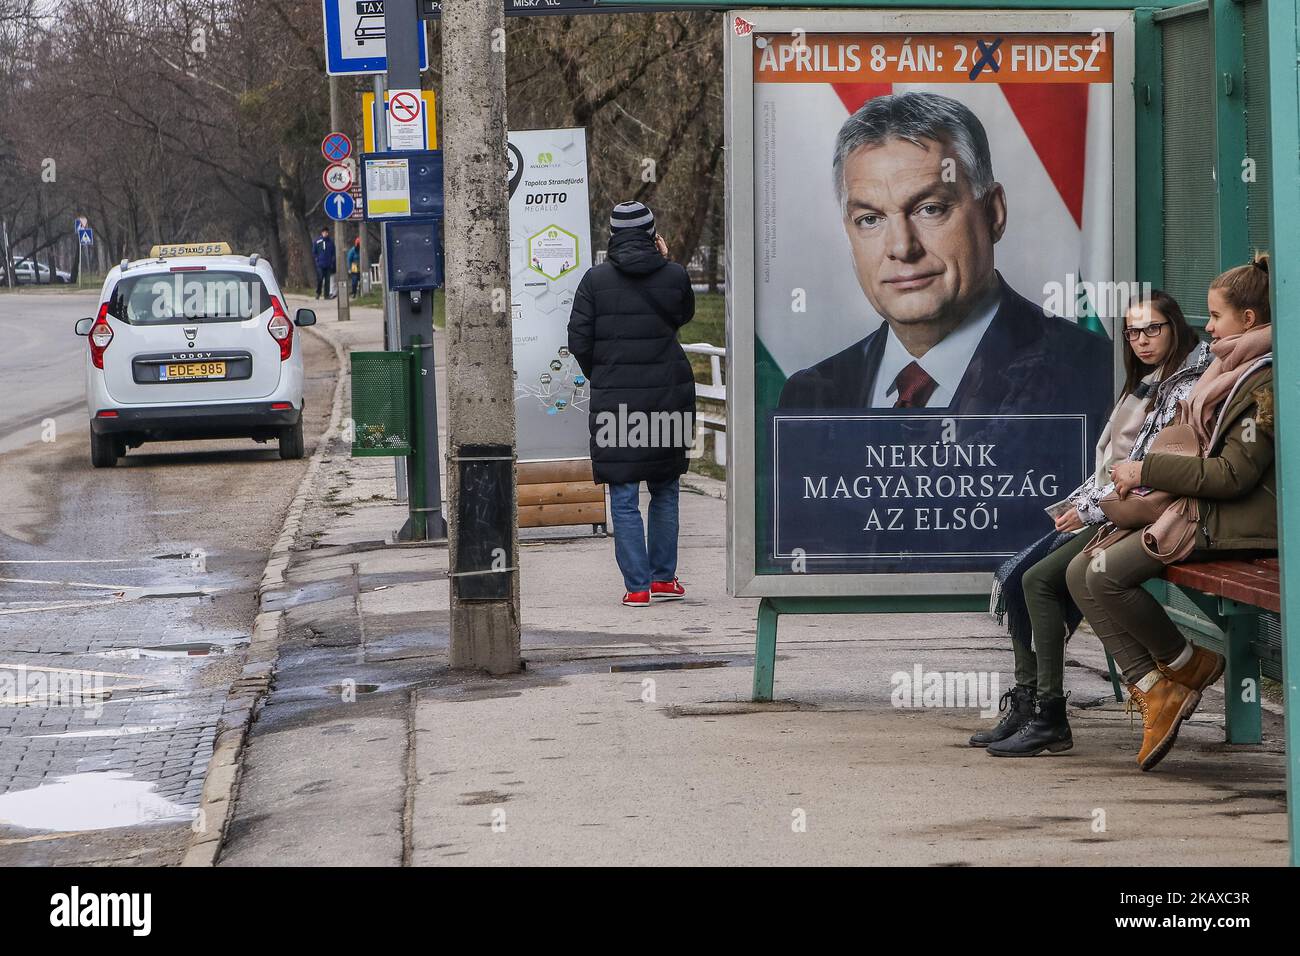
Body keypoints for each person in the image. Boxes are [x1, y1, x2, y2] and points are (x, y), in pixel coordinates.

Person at [778, 91, 1110, 427]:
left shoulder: (1097, 378)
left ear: (993, 213)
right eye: (870, 219)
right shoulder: (808, 395)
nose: (902, 248)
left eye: (930, 209)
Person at [1066, 255, 1275, 772]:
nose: (1208, 327)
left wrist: (1147, 471)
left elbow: (1232, 476)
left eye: (1217, 316)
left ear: (1249, 320)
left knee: (1104, 572)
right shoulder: (1231, 366)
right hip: (1197, 509)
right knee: (1077, 571)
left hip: (1235, 521)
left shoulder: (1263, 377)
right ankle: (1163, 682)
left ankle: (1179, 673)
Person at [974, 292, 1207, 756]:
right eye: (1133, 332)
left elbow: (1143, 470)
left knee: (1038, 579)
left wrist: (1087, 512)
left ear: (1175, 327)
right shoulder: (1146, 381)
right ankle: (1031, 701)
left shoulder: (1185, 385)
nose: (1141, 341)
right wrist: (1076, 505)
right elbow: (1113, 465)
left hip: (1151, 516)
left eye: (1152, 329)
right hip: (1116, 509)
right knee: (1019, 575)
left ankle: (1050, 712)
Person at [567, 201, 695, 607]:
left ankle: (637, 586)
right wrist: (666, 262)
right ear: (651, 232)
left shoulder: (594, 280)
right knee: (665, 488)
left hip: (615, 403)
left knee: (623, 494)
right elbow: (684, 314)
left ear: (612, 234)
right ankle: (664, 578)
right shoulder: (673, 275)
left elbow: (579, 340)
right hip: (667, 399)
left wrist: (602, 374)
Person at [313, 228, 336, 300]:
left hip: (328, 264)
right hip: (320, 264)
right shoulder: (317, 241)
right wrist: (317, 259)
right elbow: (314, 251)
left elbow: (333, 252)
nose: (325, 234)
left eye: (326, 232)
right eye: (324, 232)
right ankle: (318, 293)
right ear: (322, 233)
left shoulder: (331, 242)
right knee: (320, 279)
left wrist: (332, 261)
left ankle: (326, 295)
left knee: (327, 280)